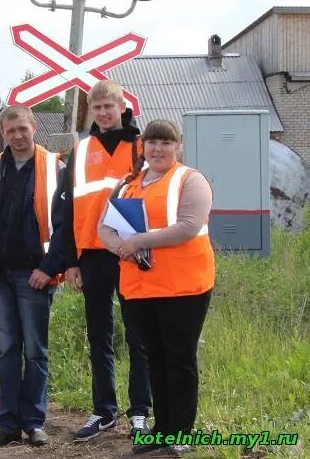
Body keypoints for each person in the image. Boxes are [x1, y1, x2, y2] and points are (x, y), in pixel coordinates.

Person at [98, 119, 214, 456]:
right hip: (140, 288)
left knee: (179, 359)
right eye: (153, 142)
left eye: (166, 143)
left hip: (184, 288)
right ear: (143, 146)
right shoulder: (127, 184)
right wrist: (121, 247)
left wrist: (138, 242)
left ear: (177, 147)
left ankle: (182, 432)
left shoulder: (190, 180)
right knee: (155, 361)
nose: (159, 149)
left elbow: (188, 227)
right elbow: (105, 228)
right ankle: (161, 430)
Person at [0, 105, 66, 448]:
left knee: (35, 351)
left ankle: (34, 422)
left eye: (23, 128)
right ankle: (7, 424)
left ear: (34, 126)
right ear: (3, 133)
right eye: (11, 131)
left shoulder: (55, 167)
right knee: (7, 351)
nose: (18, 136)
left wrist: (48, 268)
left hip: (35, 275)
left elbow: (66, 227)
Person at [61, 80, 152, 441]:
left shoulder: (143, 145)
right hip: (92, 253)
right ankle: (103, 410)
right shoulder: (79, 150)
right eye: (96, 108)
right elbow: (65, 209)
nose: (102, 113)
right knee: (99, 334)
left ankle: (141, 412)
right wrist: (70, 261)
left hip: (132, 252)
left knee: (138, 334)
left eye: (108, 107)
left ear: (121, 107)